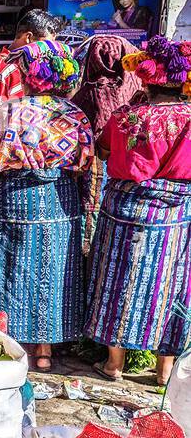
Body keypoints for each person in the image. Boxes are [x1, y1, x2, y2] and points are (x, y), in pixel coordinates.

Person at [0, 40, 93, 371]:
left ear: (27, 75)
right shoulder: (75, 114)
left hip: (11, 200)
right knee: (51, 273)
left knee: (5, 269)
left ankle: (7, 346)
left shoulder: (6, 112)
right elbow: (85, 166)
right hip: (59, 201)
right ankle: (44, 352)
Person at [85, 38, 191, 386]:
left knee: (119, 280)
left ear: (146, 81)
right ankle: (164, 370)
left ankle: (114, 364)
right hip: (178, 213)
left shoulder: (128, 117)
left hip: (127, 209)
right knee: (172, 283)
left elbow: (102, 151)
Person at [73, 35, 141, 252]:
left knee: (89, 211)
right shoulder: (132, 91)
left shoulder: (90, 90)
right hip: (124, 164)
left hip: (92, 163)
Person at [0, 8, 58, 114]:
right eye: (45, 45)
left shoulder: (30, 68)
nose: (48, 50)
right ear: (28, 37)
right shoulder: (3, 67)